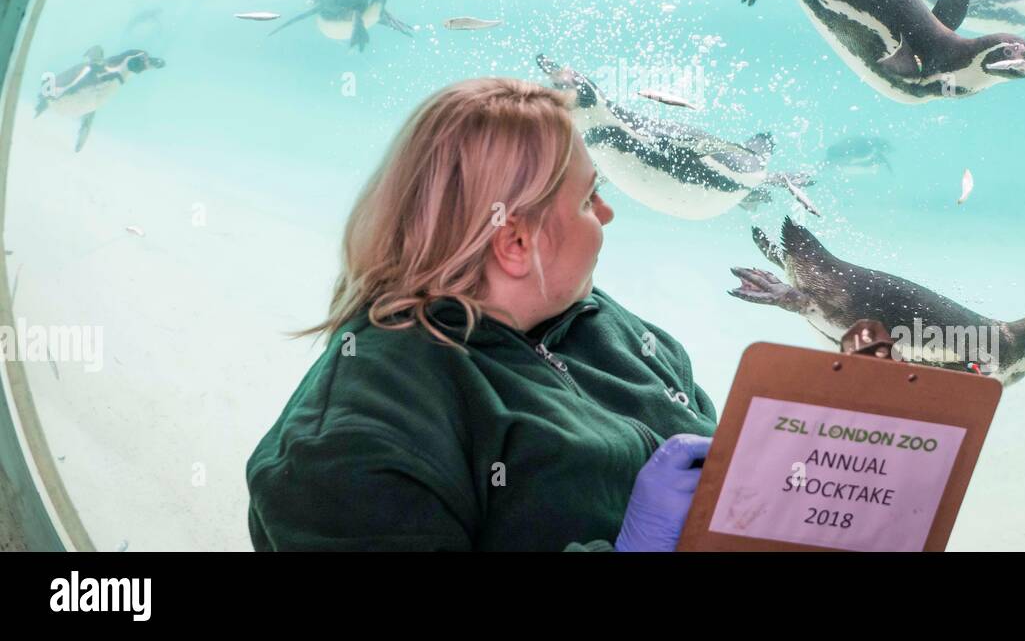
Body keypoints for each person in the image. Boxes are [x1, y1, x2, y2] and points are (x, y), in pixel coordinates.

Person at [246, 76, 717, 551]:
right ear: (516, 242)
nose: (606, 213)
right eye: (586, 198)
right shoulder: (356, 437)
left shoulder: (604, 326)